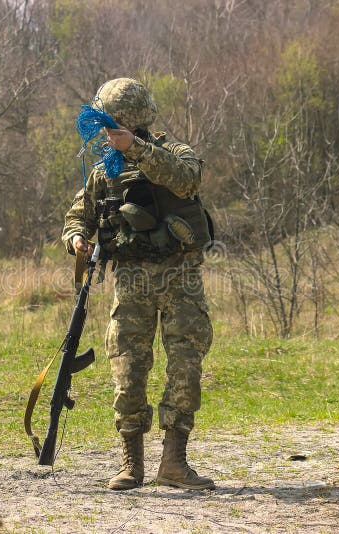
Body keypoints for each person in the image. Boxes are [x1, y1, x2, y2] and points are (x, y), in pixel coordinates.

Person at [62, 78, 215, 490]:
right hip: (131, 281)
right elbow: (79, 215)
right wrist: (77, 238)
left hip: (180, 277)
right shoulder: (103, 172)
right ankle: (132, 463)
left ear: (128, 121)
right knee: (127, 370)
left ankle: (174, 463)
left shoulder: (174, 153)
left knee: (185, 367)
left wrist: (137, 149)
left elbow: (186, 180)